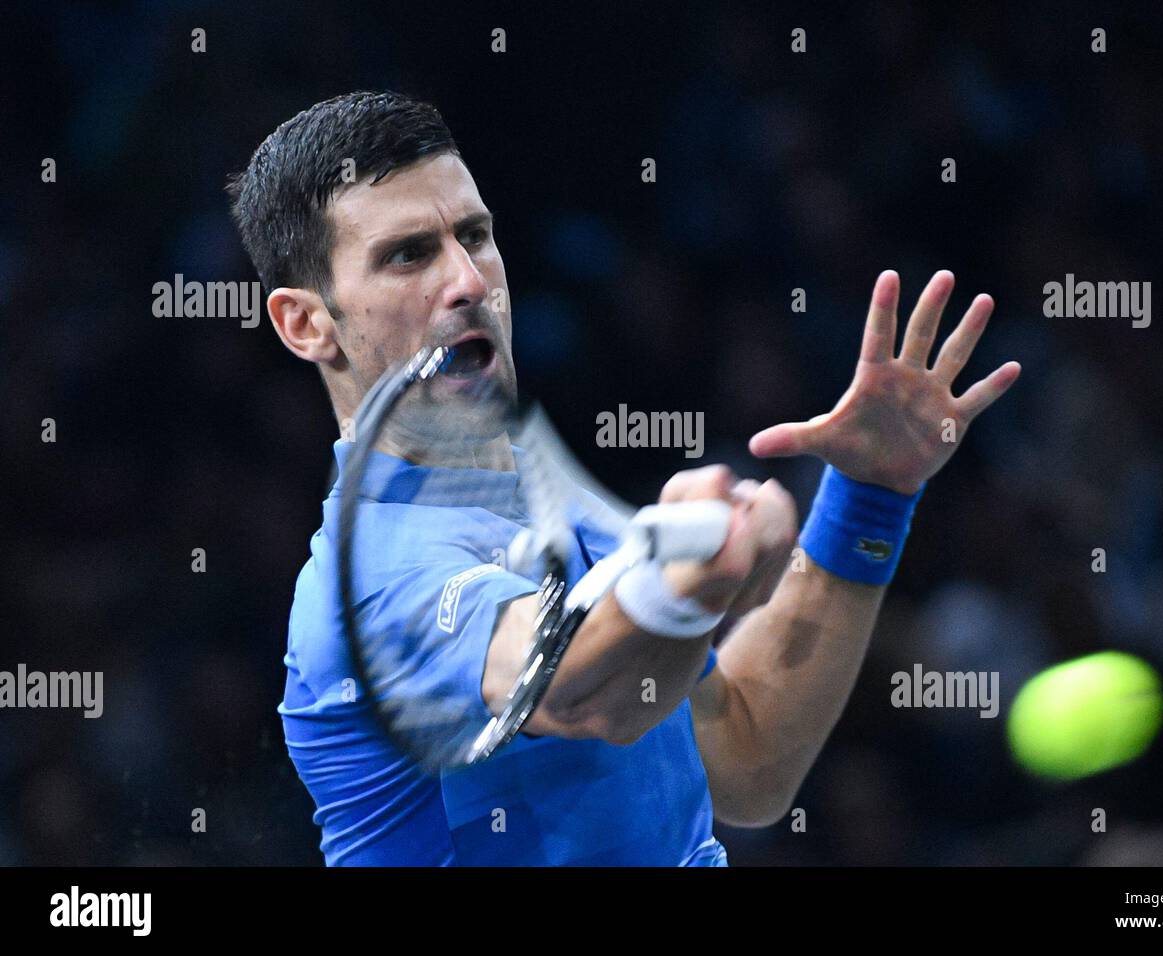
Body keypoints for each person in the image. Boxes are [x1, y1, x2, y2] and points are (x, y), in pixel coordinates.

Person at [226, 90, 1020, 865]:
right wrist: (689, 586)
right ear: (307, 323)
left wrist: (868, 500)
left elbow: (746, 761)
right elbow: (576, 692)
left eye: (475, 235)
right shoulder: (365, 584)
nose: (469, 281)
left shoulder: (560, 516)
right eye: (408, 255)